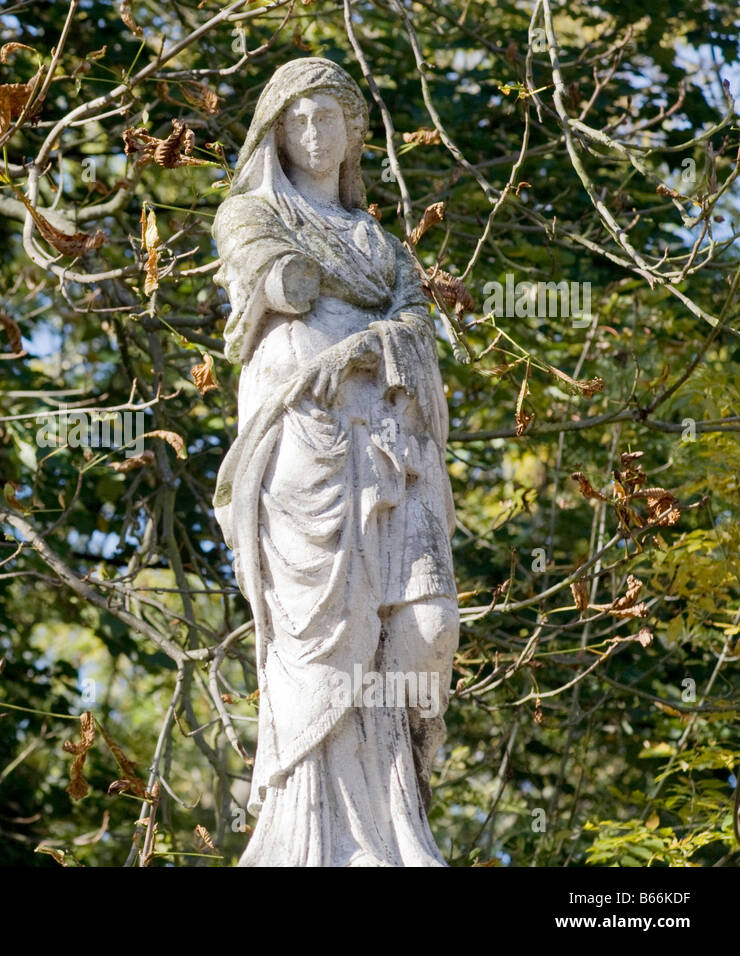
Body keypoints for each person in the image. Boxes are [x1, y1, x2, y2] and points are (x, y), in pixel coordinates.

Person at [212, 57, 459, 866]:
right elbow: (283, 283)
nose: (315, 135)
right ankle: (309, 836)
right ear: (277, 134)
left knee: (425, 631)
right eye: (299, 120)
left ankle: (401, 814)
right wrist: (369, 319)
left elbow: (420, 329)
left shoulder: (383, 244)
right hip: (305, 444)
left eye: (330, 118)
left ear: (355, 132)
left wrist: (364, 342)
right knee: (318, 636)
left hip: (393, 450)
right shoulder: (250, 213)